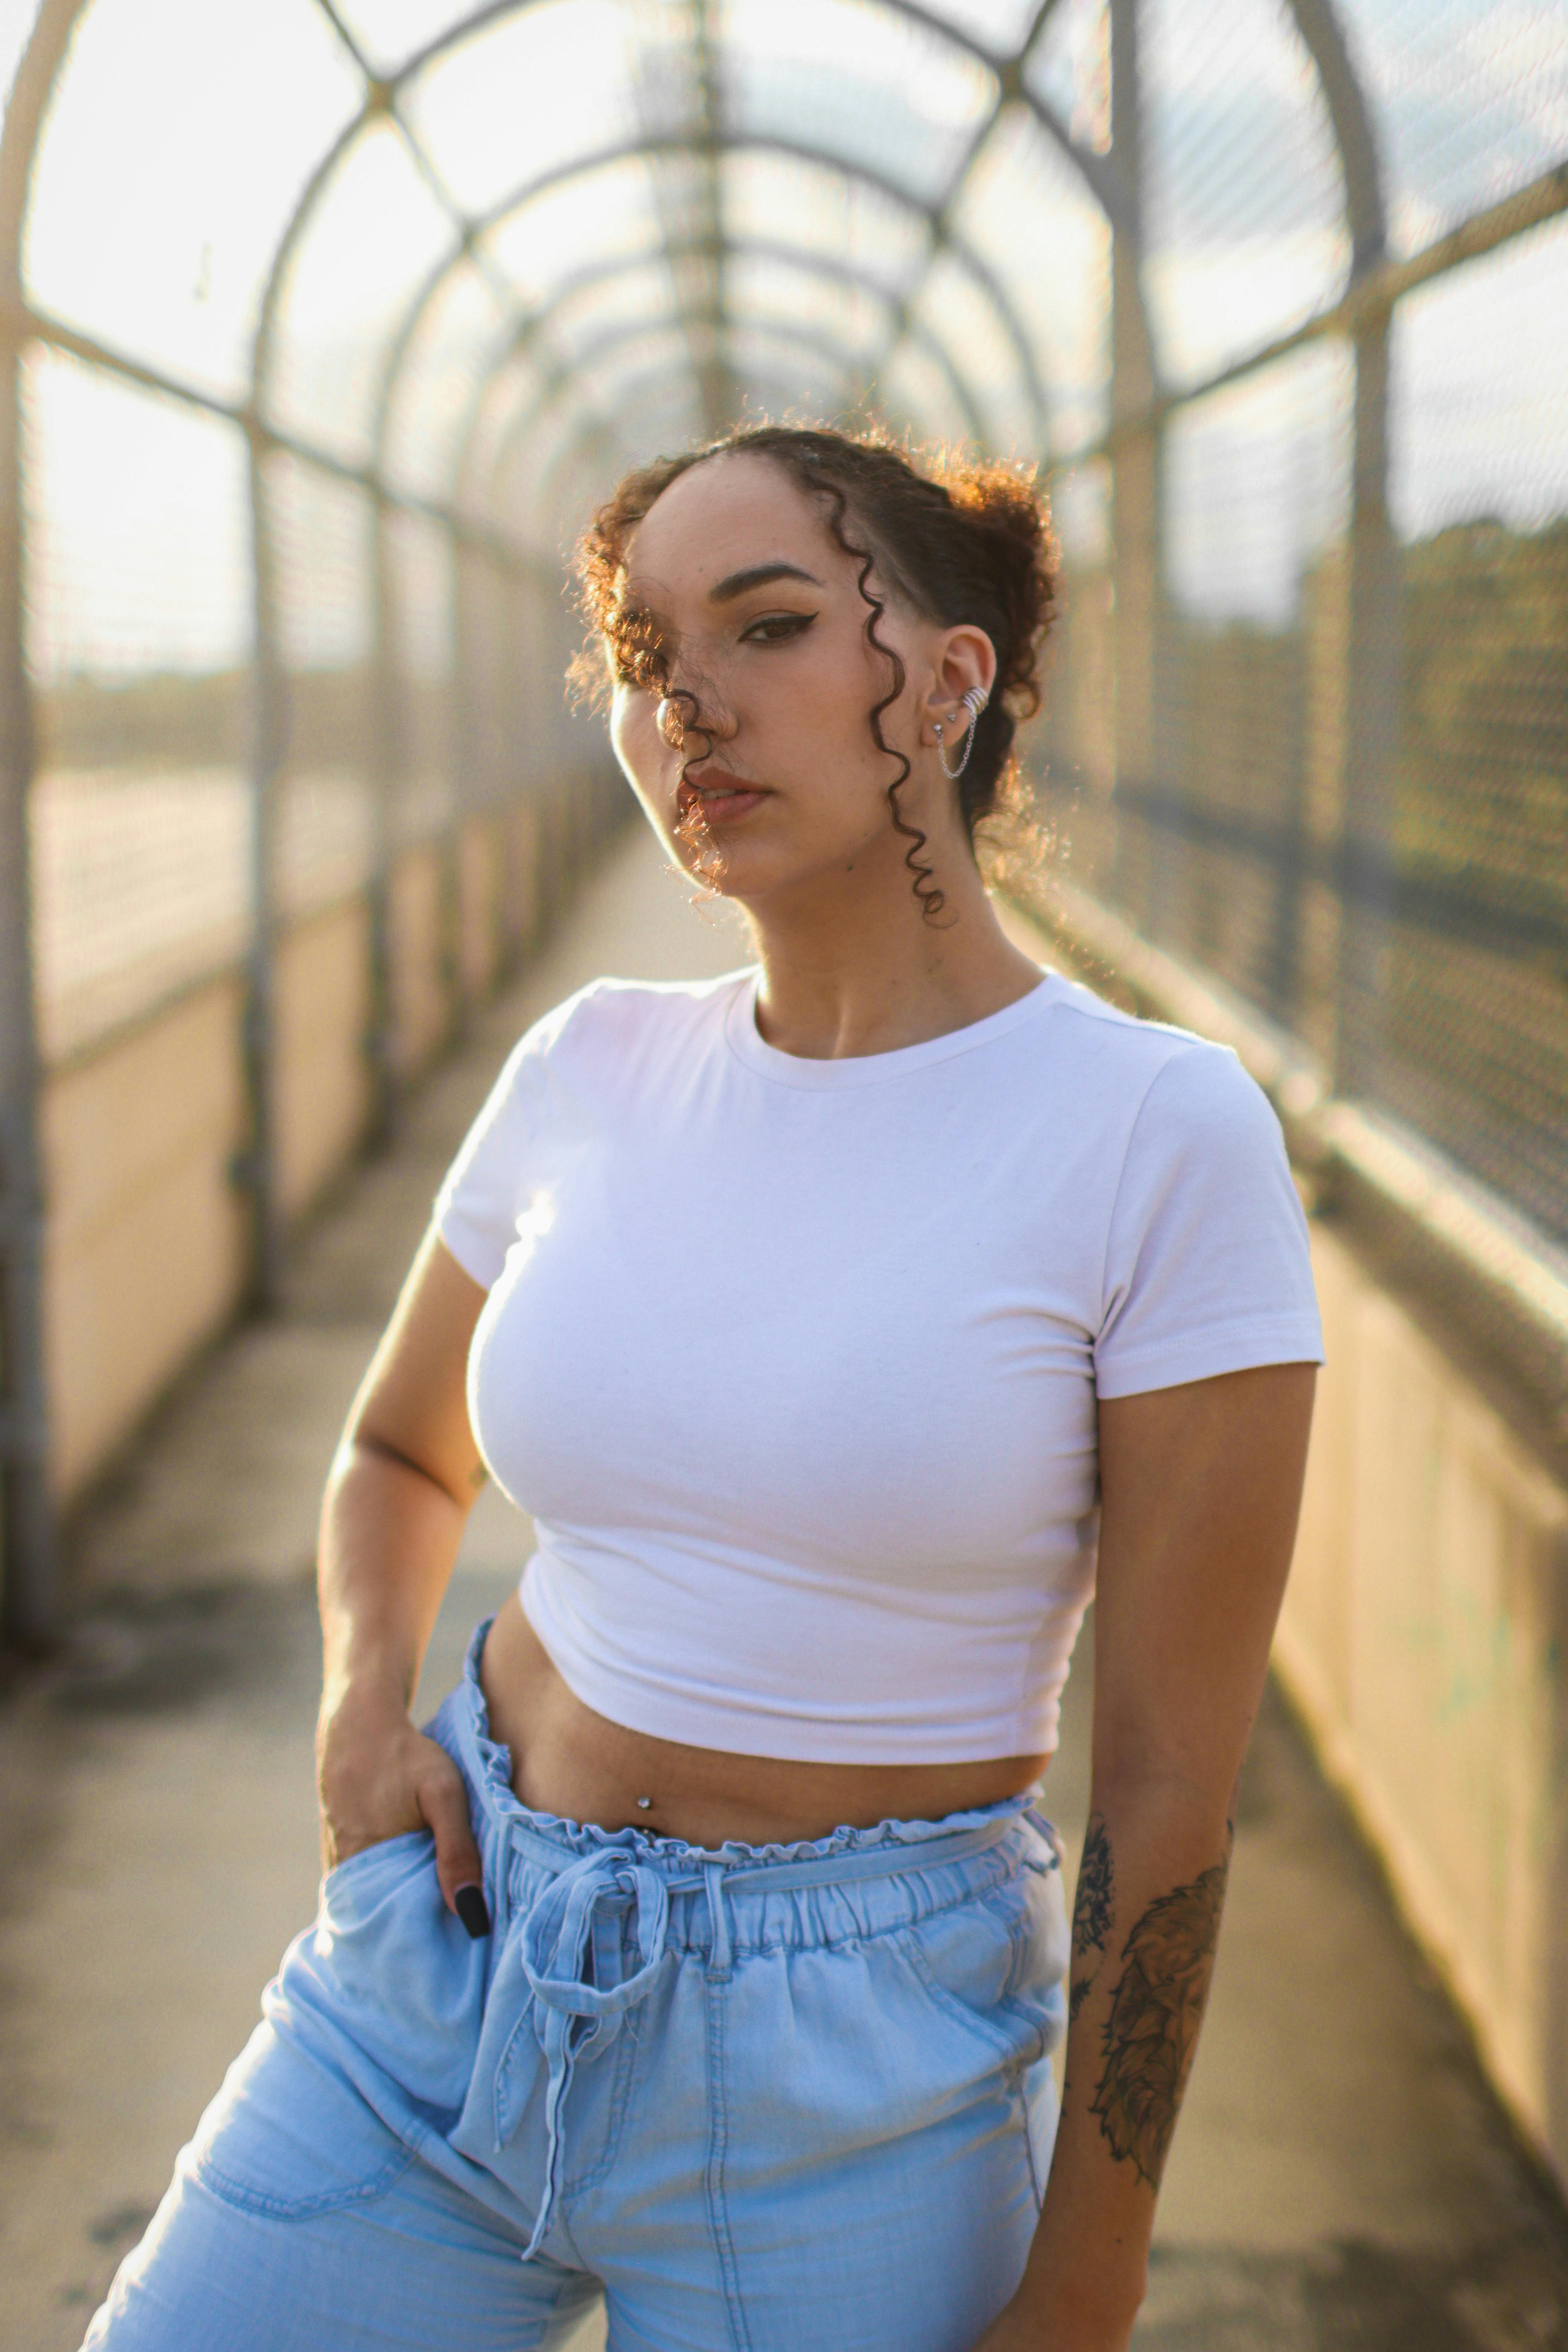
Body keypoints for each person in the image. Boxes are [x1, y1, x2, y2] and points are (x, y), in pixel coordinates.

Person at [85, 424, 1322, 2352]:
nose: (688, 705)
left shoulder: (1151, 1130)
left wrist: (1085, 2274)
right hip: (448, 1966)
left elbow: (1167, 1782)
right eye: (642, 656)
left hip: (852, 2076)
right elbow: (401, 1446)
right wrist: (356, 1713)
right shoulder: (588, 1061)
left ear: (945, 676)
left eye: (764, 626)